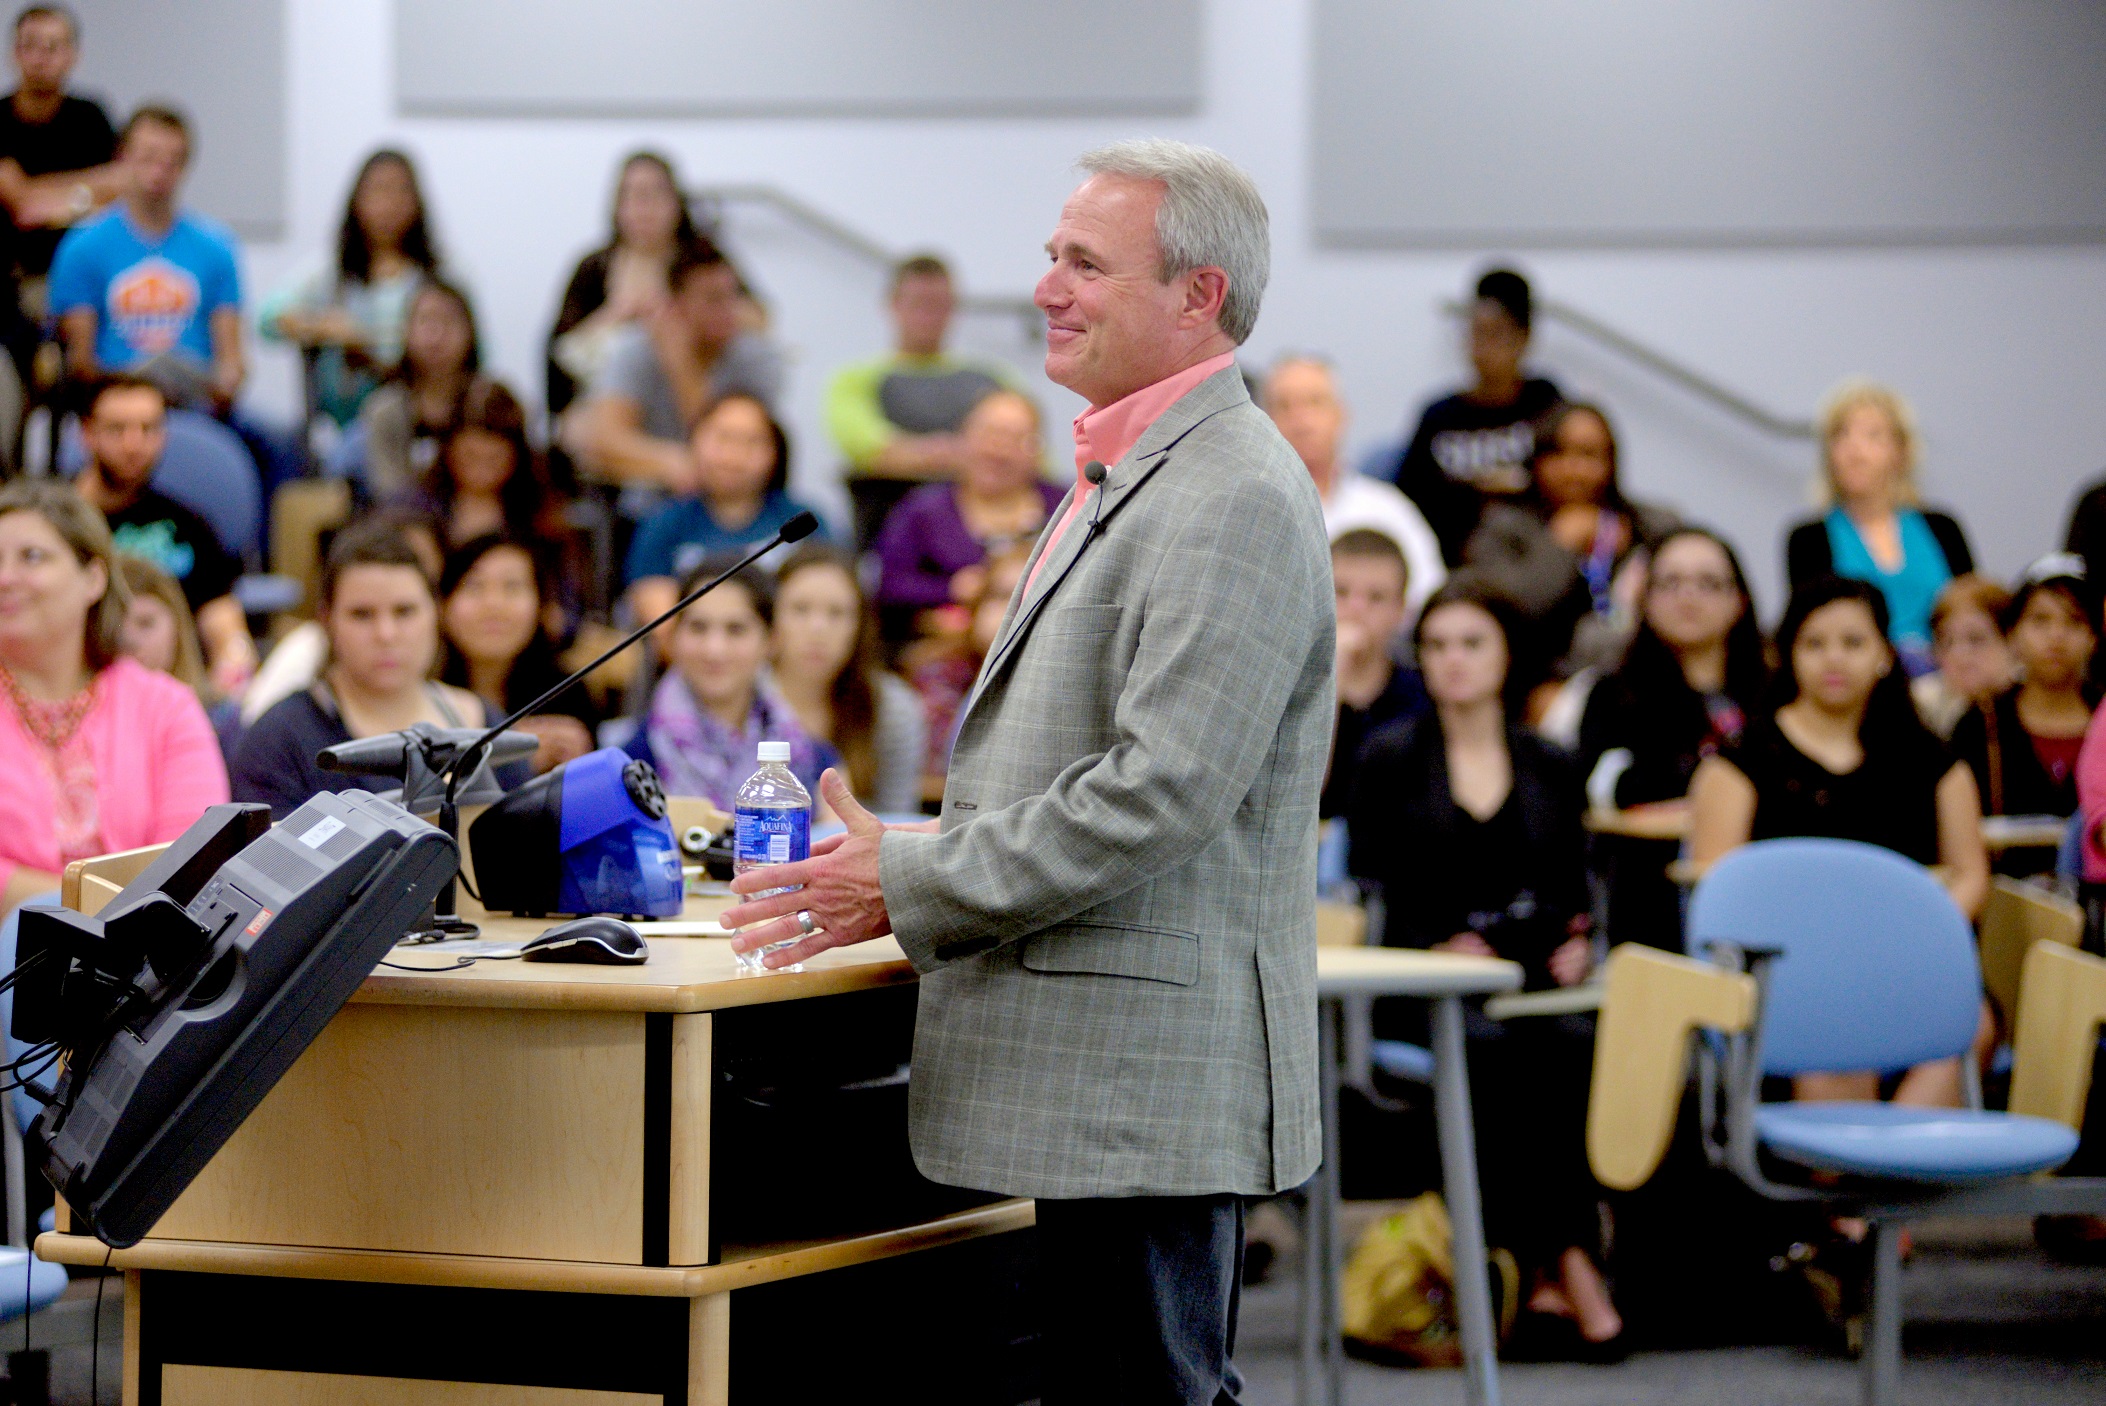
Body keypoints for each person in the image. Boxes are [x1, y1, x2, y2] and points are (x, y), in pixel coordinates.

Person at [722, 139, 1331, 1404]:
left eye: (1085, 263)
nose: (1046, 287)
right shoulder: (1135, 465)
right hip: (1099, 1064)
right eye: (1053, 255)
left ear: (1197, 296)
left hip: (1143, 1076)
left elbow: (1160, 789)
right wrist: (905, 845)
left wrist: (914, 872)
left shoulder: (1231, 491)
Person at [1346, 579, 1620, 1355]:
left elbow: (1576, 886)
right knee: (1490, 1052)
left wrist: (1579, 941)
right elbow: (1369, 889)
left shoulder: (1550, 761)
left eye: (1472, 644)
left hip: (1531, 978)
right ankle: (1565, 1264)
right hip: (1425, 985)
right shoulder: (1389, 758)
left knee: (1571, 1042)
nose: (1452, 662)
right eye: (1436, 646)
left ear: (1506, 657)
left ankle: (1537, 1270)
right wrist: (1425, 948)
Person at [1690, 573, 1990, 954]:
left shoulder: (1935, 764)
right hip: (1780, 958)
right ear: (1788, 654)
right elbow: (1718, 883)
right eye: (1814, 644)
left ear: (1884, 653)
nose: (1834, 658)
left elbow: (1971, 876)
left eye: (1853, 642)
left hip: (1908, 953)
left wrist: (1916, 935)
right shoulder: (1740, 762)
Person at [0, 477, 227, 914]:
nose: (6, 578)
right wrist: (102, 910)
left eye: (32, 557)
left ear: (93, 578)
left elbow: (192, 867)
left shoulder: (165, 707)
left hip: (148, 969)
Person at [1577, 527, 1768, 948]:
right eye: (1670, 583)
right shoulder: (1614, 694)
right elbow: (1604, 787)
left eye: (1708, 583)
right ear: (1645, 598)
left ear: (1740, 600)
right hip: (1650, 895)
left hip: (1764, 886)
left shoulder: (1772, 694)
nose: (1688, 597)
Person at [229, 520, 492, 820]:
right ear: (326, 622)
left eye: (405, 611)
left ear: (436, 612)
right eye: (362, 614)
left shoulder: (483, 723)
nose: (386, 634)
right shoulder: (278, 741)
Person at [1466, 401, 1675, 690]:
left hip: (1638, 679)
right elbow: (1508, 615)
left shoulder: (1652, 526)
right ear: (1537, 459)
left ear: (1611, 462)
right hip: (1530, 684)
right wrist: (1560, 545)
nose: (1574, 469)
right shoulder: (1501, 527)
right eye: (1558, 453)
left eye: (1589, 454)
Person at [47, 104, 240, 413]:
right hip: (113, 406)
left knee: (277, 442)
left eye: (172, 161)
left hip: (197, 404)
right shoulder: (83, 247)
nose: (159, 172)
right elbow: (80, 366)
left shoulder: (216, 247)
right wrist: (140, 383)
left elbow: (233, 360)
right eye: (148, 157)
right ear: (123, 157)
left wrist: (223, 383)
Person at [72, 374, 256, 695]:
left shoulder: (188, 523)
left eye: (148, 429)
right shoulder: (56, 525)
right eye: (117, 429)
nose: (134, 445)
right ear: (87, 433)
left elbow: (225, 627)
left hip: (176, 693)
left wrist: (232, 672)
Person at [824, 253, 1016, 546]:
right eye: (919, 303)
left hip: (983, 536)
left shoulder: (994, 378)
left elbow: (1027, 453)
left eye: (938, 305)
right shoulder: (855, 379)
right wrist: (971, 456)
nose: (929, 315)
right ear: (893, 305)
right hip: (887, 530)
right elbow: (869, 450)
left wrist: (917, 455)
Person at [1784, 380, 1974, 676]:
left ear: (1902, 451)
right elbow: (1810, 632)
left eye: (1873, 436)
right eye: (1841, 435)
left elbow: (1975, 611)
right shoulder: (1807, 539)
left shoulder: (1942, 527)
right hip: (1857, 686)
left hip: (1950, 680)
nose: (1854, 450)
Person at [569, 241, 784, 498]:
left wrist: (680, 365)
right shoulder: (636, 349)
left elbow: (727, 444)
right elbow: (605, 440)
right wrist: (671, 461)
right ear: (676, 305)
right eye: (713, 299)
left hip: (734, 496)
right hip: (651, 497)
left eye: (734, 295)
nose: (730, 310)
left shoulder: (756, 357)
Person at [623, 558, 834, 808]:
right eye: (698, 628)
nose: (715, 650)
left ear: (772, 639)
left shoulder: (812, 761)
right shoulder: (632, 764)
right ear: (674, 636)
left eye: (736, 629)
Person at [1386, 268, 1563, 565]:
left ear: (1524, 338)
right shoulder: (1439, 416)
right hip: (1452, 562)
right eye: (1476, 332)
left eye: (1497, 334)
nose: (1482, 348)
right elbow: (1406, 502)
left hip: (1533, 560)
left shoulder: (1547, 404)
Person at [260, 148, 440, 428]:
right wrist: (327, 327)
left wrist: (369, 343)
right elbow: (268, 318)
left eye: (400, 191)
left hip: (419, 418)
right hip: (346, 421)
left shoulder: (436, 276)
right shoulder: (330, 272)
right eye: (379, 191)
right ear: (357, 201)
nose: (389, 204)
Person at [872, 387, 1061, 646]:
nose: (999, 450)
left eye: (1017, 439)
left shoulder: (1065, 507)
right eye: (989, 435)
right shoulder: (923, 511)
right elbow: (888, 585)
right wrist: (949, 589)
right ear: (963, 438)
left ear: (1038, 451)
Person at [1263, 354, 1444, 617]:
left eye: (1315, 402)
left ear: (1341, 415)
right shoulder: (1242, 513)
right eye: (1284, 406)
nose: (1301, 421)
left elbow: (1429, 607)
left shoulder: (1389, 512)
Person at [1950, 559, 2098, 877]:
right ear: (2013, 633)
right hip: (2003, 905)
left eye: (2075, 621)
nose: (2056, 636)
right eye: (2040, 620)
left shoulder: (2105, 718)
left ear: (2094, 638)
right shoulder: (1980, 723)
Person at [386, 377, 580, 620]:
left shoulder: (539, 515)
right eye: (470, 457)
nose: (480, 472)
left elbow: (567, 605)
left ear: (516, 456)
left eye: (493, 460)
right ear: (448, 451)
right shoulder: (411, 510)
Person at [624, 392, 822, 624]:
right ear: (693, 443)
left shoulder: (802, 522)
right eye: (722, 439)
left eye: (751, 442)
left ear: (776, 452)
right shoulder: (663, 523)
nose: (734, 456)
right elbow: (661, 624)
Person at [0, 5, 120, 385]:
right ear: (14, 52)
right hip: (12, 281)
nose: (40, 58)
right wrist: (84, 195)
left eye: (53, 47)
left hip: (83, 277)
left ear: (72, 55)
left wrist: (50, 197)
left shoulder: (91, 118)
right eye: (30, 46)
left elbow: (120, 187)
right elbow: (22, 205)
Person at [547, 151, 712, 418]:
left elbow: (755, 313)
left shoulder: (703, 260)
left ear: (677, 202)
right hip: (605, 403)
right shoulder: (594, 267)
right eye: (633, 195)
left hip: (686, 396)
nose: (644, 207)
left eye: (655, 194)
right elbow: (559, 352)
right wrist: (617, 313)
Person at [771, 544, 927, 815]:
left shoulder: (892, 706)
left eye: (837, 613)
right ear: (770, 618)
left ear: (860, 626)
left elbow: (898, 822)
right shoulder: (742, 696)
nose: (818, 629)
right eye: (800, 609)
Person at [438, 532, 597, 776]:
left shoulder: (567, 694)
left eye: (512, 587)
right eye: (474, 586)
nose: (493, 604)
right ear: (442, 605)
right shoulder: (421, 691)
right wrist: (511, 762)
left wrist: (579, 764)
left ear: (542, 605)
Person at [903, 540, 1027, 785]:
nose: (1015, 610)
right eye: (1003, 596)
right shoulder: (940, 672)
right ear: (978, 607)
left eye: (1027, 597)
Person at [341, 277, 478, 498]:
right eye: (426, 321)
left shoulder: (485, 405)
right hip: (404, 520)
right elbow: (389, 494)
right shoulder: (385, 410)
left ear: (470, 332)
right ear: (406, 331)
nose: (436, 336)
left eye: (448, 321)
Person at [1324, 528, 1427, 819]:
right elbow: (1303, 794)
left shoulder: (1420, 695)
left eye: (1376, 597)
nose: (1356, 609)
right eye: (1340, 592)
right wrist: (1335, 676)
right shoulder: (1288, 688)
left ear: (1401, 610)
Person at [1912, 574, 2016, 740]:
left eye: (1975, 639)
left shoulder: (2033, 702)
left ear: (2011, 641)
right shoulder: (1918, 705)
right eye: (1946, 642)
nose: (1959, 656)